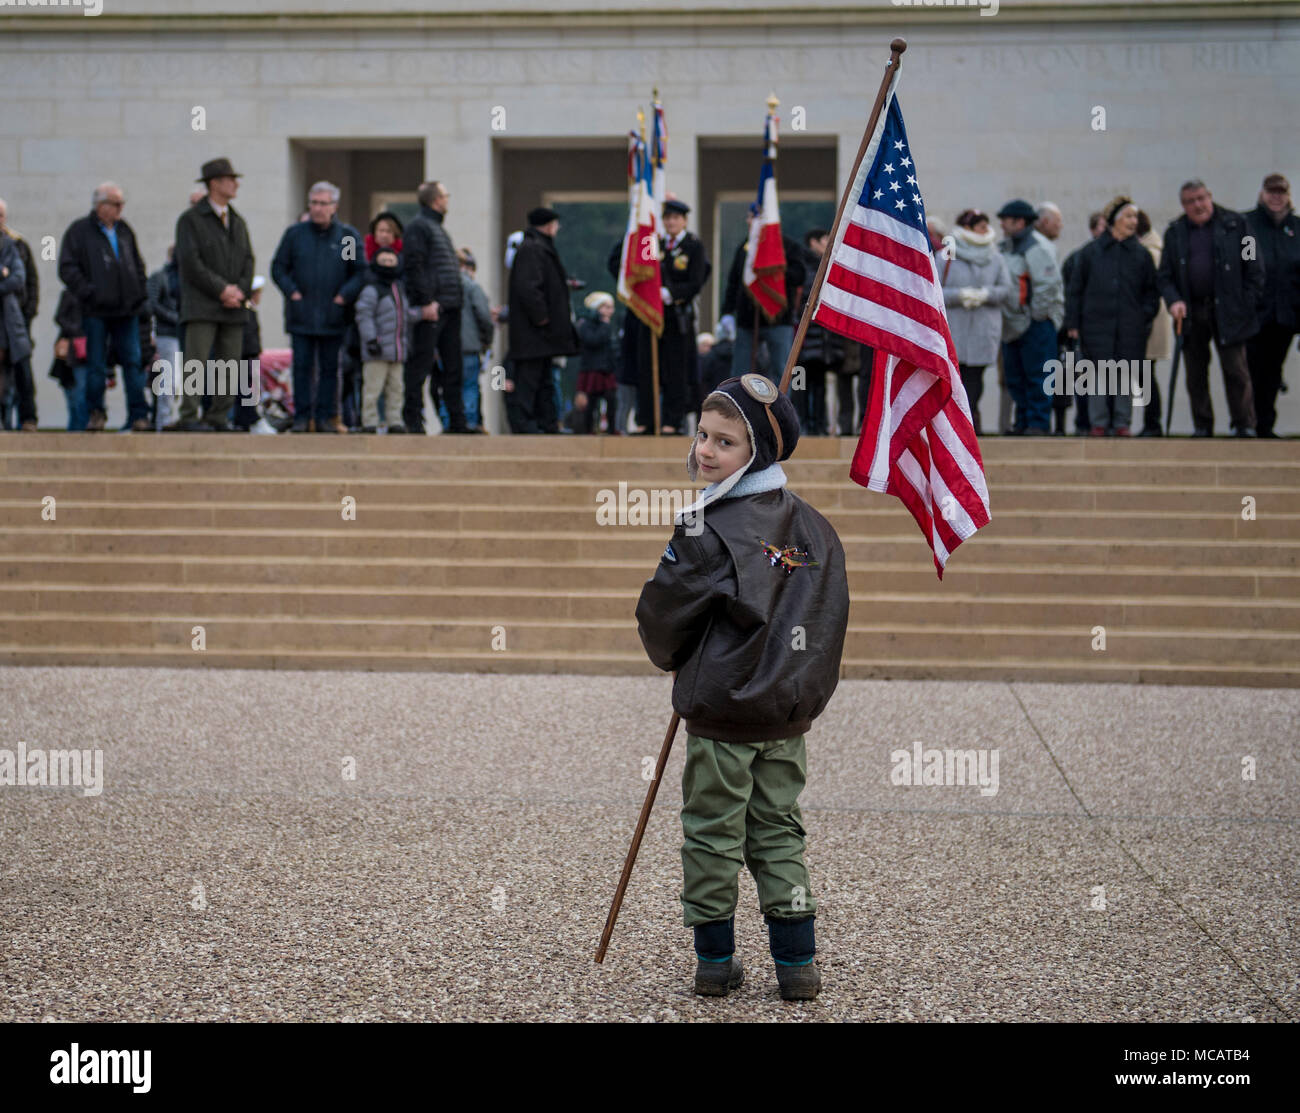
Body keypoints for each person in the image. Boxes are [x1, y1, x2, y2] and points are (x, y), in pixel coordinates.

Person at [635, 372, 849, 1001]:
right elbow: (827, 622)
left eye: (725, 442)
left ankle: (715, 961)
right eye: (702, 434)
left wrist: (674, 659)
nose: (705, 450)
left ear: (758, 453)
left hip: (724, 714)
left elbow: (662, 614)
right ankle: (797, 964)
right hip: (784, 716)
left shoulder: (708, 529)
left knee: (712, 828)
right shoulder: (816, 528)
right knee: (779, 827)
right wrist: (802, 692)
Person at [1156, 179, 1264, 437]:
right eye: (1191, 202)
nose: (1198, 205)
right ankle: (1202, 426)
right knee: (1195, 374)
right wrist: (1174, 301)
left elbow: (1254, 266)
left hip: (1230, 312)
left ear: (1210, 197)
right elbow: (1165, 276)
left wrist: (1246, 302)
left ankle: (1244, 424)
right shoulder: (1175, 232)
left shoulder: (1239, 226)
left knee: (1236, 371)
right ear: (1183, 205)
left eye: (1201, 198)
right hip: (1191, 312)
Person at [168, 158, 255, 432]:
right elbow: (191, 263)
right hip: (202, 304)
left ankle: (219, 416)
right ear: (215, 183)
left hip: (233, 307)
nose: (236, 184)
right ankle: (189, 415)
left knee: (229, 364)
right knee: (196, 361)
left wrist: (239, 290)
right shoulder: (191, 220)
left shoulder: (237, 221)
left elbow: (248, 260)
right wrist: (222, 289)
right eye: (230, 179)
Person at [57, 181, 151, 432]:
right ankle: (96, 413)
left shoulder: (124, 230)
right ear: (100, 205)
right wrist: (89, 292)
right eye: (115, 203)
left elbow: (138, 264)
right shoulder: (79, 231)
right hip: (96, 311)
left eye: (122, 203)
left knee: (133, 361)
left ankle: (139, 415)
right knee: (96, 365)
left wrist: (140, 291)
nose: (120, 208)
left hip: (127, 309)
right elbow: (66, 268)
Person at [271, 181, 363, 434]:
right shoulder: (295, 235)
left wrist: (343, 297)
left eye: (324, 204)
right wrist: (293, 293)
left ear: (334, 206)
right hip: (301, 315)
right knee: (301, 367)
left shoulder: (346, 237)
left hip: (334, 317)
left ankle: (326, 417)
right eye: (314, 203)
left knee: (330, 369)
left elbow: (356, 272)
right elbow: (279, 268)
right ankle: (302, 417)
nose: (318, 208)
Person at [1065, 196, 1159, 436]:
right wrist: (1074, 322)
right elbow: (1075, 290)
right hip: (1095, 325)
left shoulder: (1141, 255)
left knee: (1124, 373)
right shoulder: (1090, 253)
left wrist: (1143, 317)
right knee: (1097, 373)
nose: (1133, 221)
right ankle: (1098, 422)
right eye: (1128, 216)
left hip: (1130, 327)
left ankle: (1122, 423)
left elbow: (1151, 292)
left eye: (1135, 217)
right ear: (1113, 220)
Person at [403, 180, 469, 434]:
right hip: (433, 308)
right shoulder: (420, 227)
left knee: (454, 368)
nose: (447, 200)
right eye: (445, 195)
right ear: (436, 200)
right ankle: (414, 421)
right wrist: (425, 301)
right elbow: (414, 265)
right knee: (419, 366)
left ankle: (458, 421)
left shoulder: (438, 229)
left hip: (451, 307)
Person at [506, 207, 579, 434]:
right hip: (534, 334)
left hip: (543, 336)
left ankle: (546, 423)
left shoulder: (539, 248)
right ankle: (526, 424)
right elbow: (529, 288)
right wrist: (543, 318)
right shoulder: (532, 249)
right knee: (529, 380)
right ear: (549, 225)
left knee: (545, 381)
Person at [941, 209, 1012, 437]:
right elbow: (932, 289)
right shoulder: (947, 254)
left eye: (985, 225)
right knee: (955, 377)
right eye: (979, 226)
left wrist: (984, 295)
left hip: (983, 328)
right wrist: (959, 295)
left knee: (975, 378)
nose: (984, 229)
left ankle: (970, 421)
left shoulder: (995, 256)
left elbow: (1006, 289)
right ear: (967, 228)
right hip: (955, 327)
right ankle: (954, 423)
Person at [997, 198, 1064, 435]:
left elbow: (1047, 286)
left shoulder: (1038, 247)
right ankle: (1023, 422)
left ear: (1020, 222)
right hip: (1012, 324)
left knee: (1038, 375)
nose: (1002, 225)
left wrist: (1035, 317)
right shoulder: (1005, 247)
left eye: (1005, 221)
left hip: (1036, 325)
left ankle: (1037, 424)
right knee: (1016, 377)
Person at [720, 207, 807, 380]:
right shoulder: (745, 248)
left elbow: (800, 276)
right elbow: (734, 282)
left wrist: (773, 271)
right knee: (740, 371)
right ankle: (740, 406)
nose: (755, 221)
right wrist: (727, 312)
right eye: (752, 217)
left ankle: (778, 406)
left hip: (779, 318)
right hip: (747, 320)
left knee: (782, 370)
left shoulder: (789, 247)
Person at [1245, 173, 1300, 437]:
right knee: (1253, 370)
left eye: (1281, 193)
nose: (1276, 197)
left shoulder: (1297, 229)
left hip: (1286, 315)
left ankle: (1265, 423)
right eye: (1272, 192)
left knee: (1273, 372)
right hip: (1256, 315)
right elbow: (1244, 267)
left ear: (1288, 196)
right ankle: (1251, 422)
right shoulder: (1248, 227)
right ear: (1262, 194)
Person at [656, 199, 711, 435]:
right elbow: (644, 267)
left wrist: (671, 293)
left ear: (684, 221)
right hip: (655, 315)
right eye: (667, 218)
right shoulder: (655, 243)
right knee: (658, 368)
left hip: (679, 315)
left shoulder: (693, 246)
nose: (671, 222)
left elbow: (697, 281)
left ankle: (673, 419)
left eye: (675, 218)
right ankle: (652, 417)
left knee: (678, 369)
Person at [355, 247, 419, 433]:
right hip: (377, 350)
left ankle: (394, 421)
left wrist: (422, 313)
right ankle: (369, 422)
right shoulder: (371, 289)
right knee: (373, 390)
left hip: (398, 351)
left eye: (392, 261)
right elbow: (364, 315)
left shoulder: (398, 288)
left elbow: (405, 315)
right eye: (384, 261)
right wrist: (371, 340)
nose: (388, 265)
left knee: (396, 389)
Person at [795, 228, 844, 436]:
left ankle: (819, 425)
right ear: (813, 243)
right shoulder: (805, 268)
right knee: (801, 383)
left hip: (822, 341)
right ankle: (802, 423)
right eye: (824, 240)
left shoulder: (828, 266)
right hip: (805, 340)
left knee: (819, 384)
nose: (827, 243)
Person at [0, 198, 39, 430]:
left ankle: (28, 418)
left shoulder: (17, 245)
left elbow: (25, 281)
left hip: (14, 321)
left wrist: (28, 317)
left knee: (22, 371)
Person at [446, 247, 493, 433]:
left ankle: (449, 423)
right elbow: (484, 316)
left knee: (447, 387)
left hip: (446, 347)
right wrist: (486, 340)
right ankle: (470, 424)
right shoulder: (472, 287)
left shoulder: (439, 286)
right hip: (469, 345)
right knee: (470, 387)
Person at [1135, 210, 1171, 435]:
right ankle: (1150, 422)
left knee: (1145, 375)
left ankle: (1152, 423)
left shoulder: (1150, 253)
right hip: (1148, 322)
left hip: (1150, 324)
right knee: (1144, 375)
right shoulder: (1151, 249)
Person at [574, 291, 619, 434]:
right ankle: (588, 429)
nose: (609, 311)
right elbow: (593, 340)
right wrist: (605, 326)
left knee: (611, 399)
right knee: (591, 402)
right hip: (592, 369)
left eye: (610, 307)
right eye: (605, 307)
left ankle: (611, 428)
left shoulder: (609, 326)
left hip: (606, 370)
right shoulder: (585, 324)